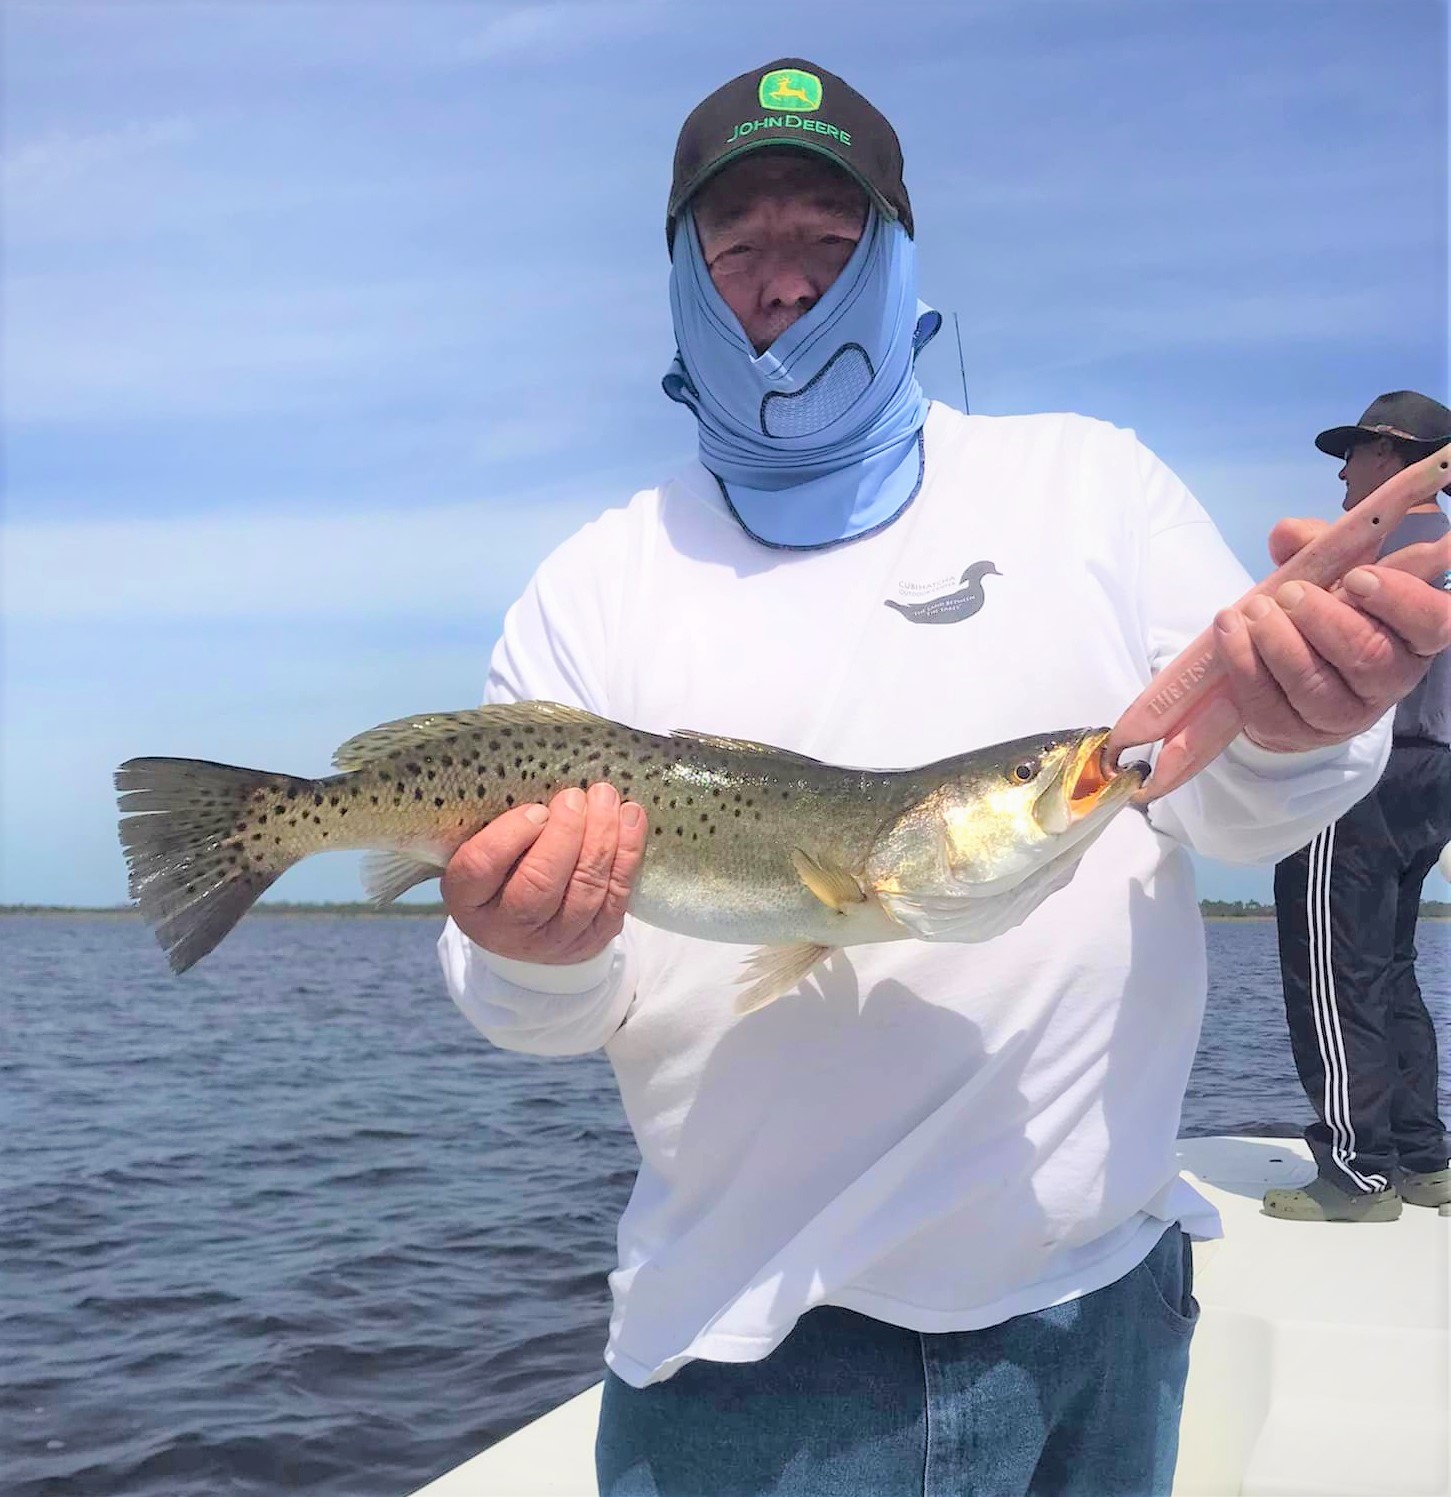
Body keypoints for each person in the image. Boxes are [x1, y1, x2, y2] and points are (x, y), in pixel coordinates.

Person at [436, 61, 1451, 1496]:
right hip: (751, 1362)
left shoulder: (1088, 489)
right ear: (681, 276)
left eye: (825, 239)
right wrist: (527, 951)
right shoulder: (590, 589)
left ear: (899, 258)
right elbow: (531, 1010)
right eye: (737, 245)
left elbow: (1224, 800)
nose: (781, 282)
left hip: (1106, 1313)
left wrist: (1306, 723)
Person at [1263, 392, 1451, 1224]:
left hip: (1357, 774)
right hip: (1435, 774)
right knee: (1389, 964)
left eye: (1353, 451)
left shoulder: (1367, 549)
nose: (1340, 472)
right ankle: (1423, 1158)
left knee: (1332, 967)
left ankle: (1355, 1168)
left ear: (1392, 454)